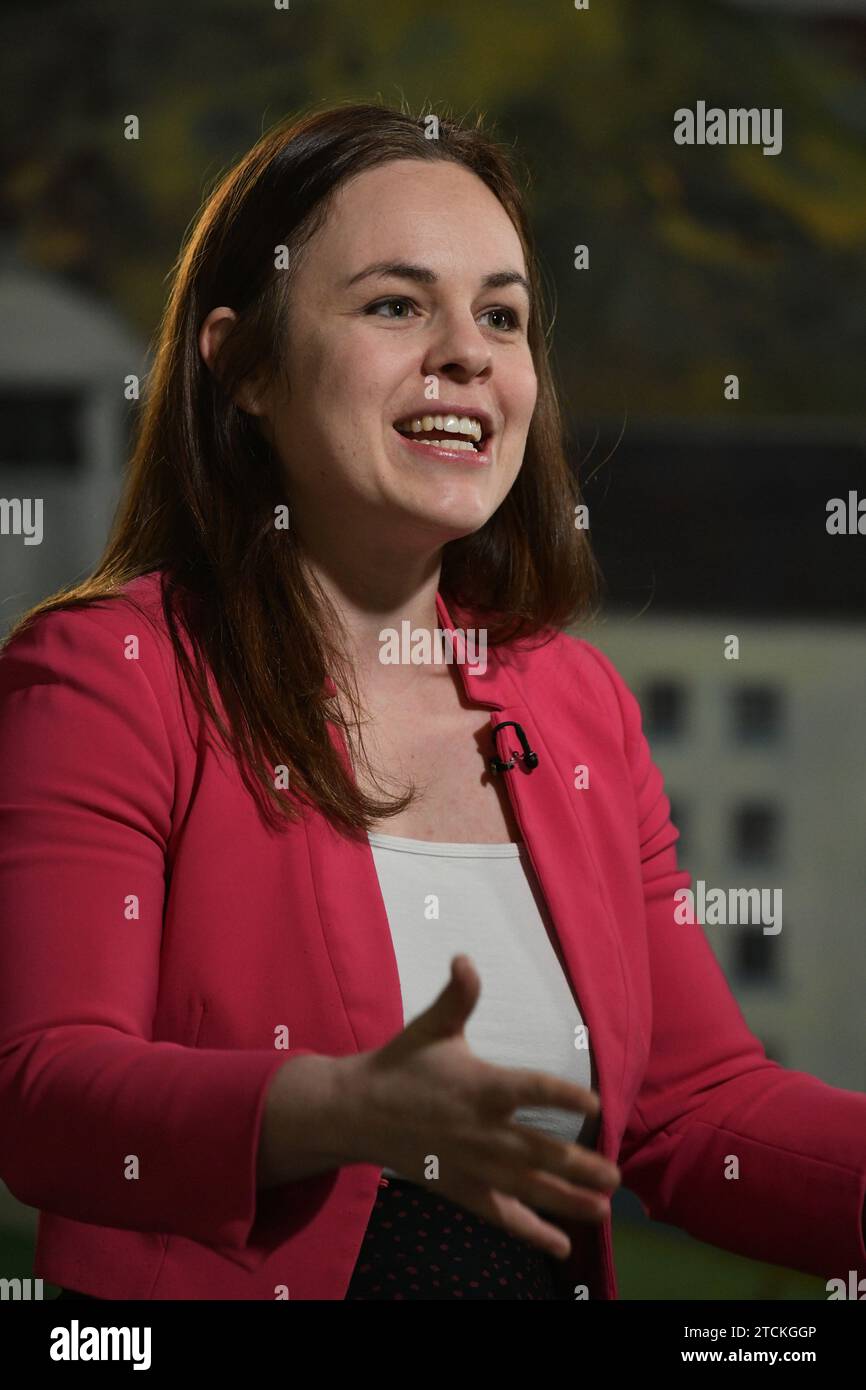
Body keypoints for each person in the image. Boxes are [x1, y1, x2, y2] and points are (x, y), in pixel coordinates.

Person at [1, 102, 864, 1303]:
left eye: (500, 315)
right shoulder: (106, 676)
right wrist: (337, 1108)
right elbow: (43, 1095)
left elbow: (692, 1111)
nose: (466, 353)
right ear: (240, 364)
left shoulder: (577, 705)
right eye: (395, 304)